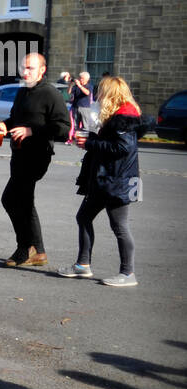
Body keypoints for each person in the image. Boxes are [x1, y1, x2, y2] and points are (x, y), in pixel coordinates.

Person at [58, 77, 154, 287]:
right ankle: (83, 265)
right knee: (84, 217)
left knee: (120, 226)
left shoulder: (124, 117)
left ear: (110, 94)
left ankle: (128, 274)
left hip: (117, 181)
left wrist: (90, 143)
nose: (98, 96)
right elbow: (113, 143)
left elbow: (122, 148)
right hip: (107, 180)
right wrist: (92, 139)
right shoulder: (120, 116)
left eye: (101, 91)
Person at [0, 52, 70, 267]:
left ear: (42, 70)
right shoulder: (23, 92)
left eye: (30, 68)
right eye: (23, 68)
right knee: (23, 201)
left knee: (11, 198)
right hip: (18, 153)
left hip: (37, 155)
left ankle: (25, 247)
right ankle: (37, 250)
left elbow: (63, 129)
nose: (25, 72)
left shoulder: (50, 93)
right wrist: (5, 125)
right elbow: (16, 118)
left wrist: (31, 131)